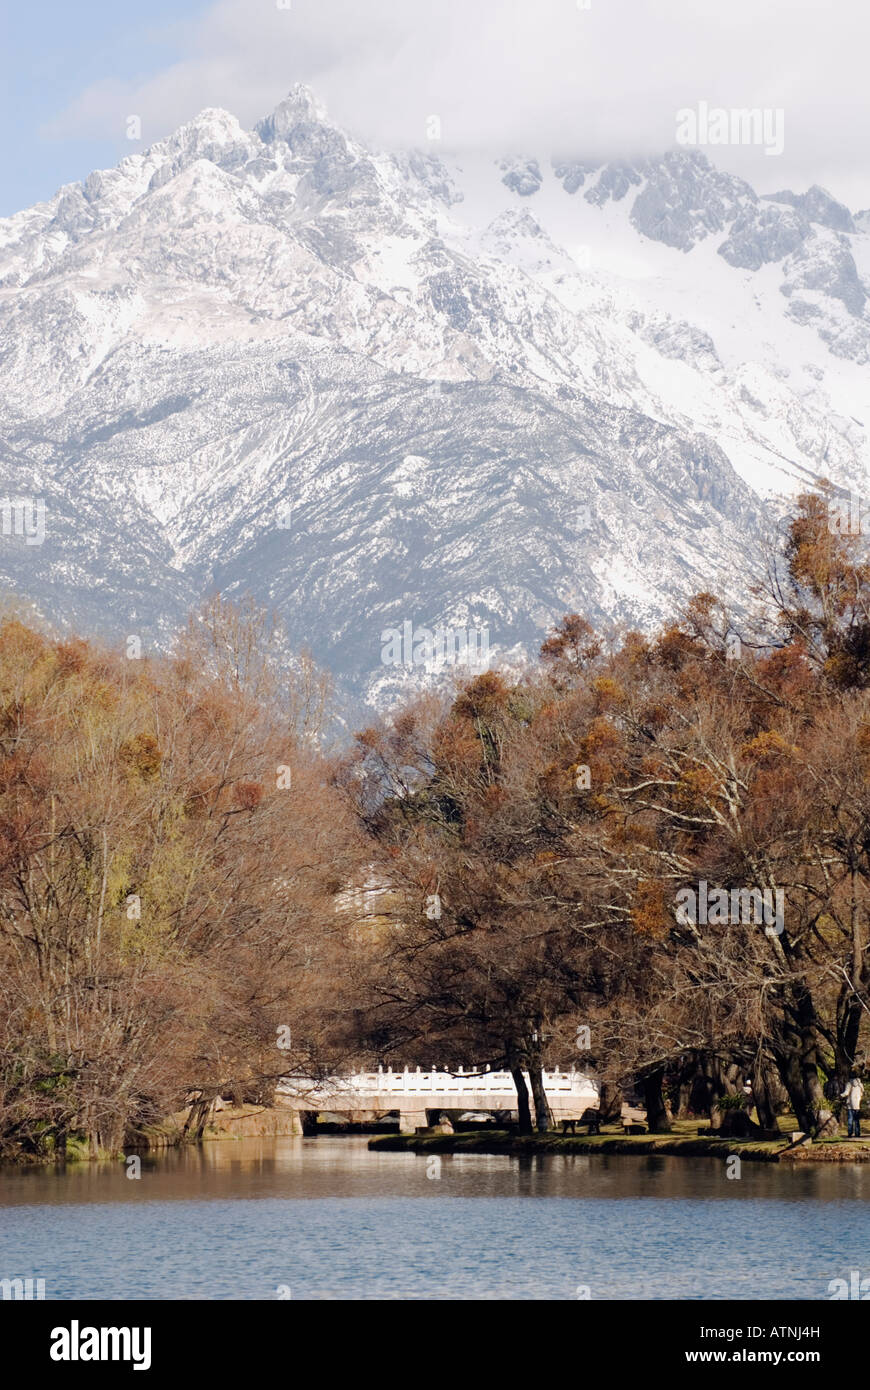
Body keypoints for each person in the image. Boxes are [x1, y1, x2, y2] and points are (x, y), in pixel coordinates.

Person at [841, 1073, 864, 1138]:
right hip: (857, 1104)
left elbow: (846, 1093)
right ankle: (857, 1133)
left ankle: (850, 1133)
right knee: (856, 1120)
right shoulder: (860, 1084)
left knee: (850, 1119)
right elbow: (862, 1093)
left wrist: (841, 1095)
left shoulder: (849, 1084)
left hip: (850, 1104)